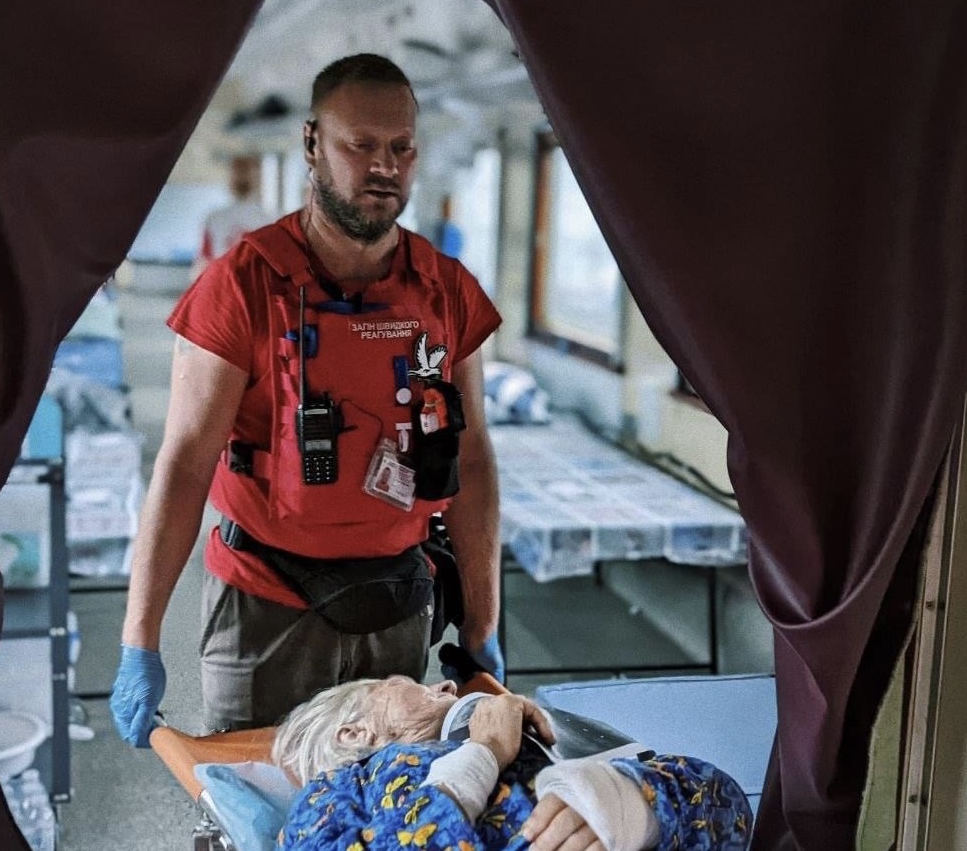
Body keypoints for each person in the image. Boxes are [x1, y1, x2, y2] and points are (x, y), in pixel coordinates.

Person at [110, 53, 505, 746]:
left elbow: (470, 458)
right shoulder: (241, 287)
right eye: (361, 145)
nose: (383, 165)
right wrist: (140, 637)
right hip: (265, 604)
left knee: (385, 802)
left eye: (401, 147)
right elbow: (184, 463)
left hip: (399, 601)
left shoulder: (447, 291)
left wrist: (483, 620)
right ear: (312, 143)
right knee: (264, 795)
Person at [271, 676, 752, 851]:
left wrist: (620, 804)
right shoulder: (333, 793)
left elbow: (727, 805)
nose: (447, 687)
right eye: (410, 684)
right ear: (355, 732)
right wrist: (479, 758)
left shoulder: (544, 738)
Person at [188, 155, 273, 281]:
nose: (241, 175)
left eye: (244, 169)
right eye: (239, 169)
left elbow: (201, 269)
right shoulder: (273, 220)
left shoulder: (215, 218)